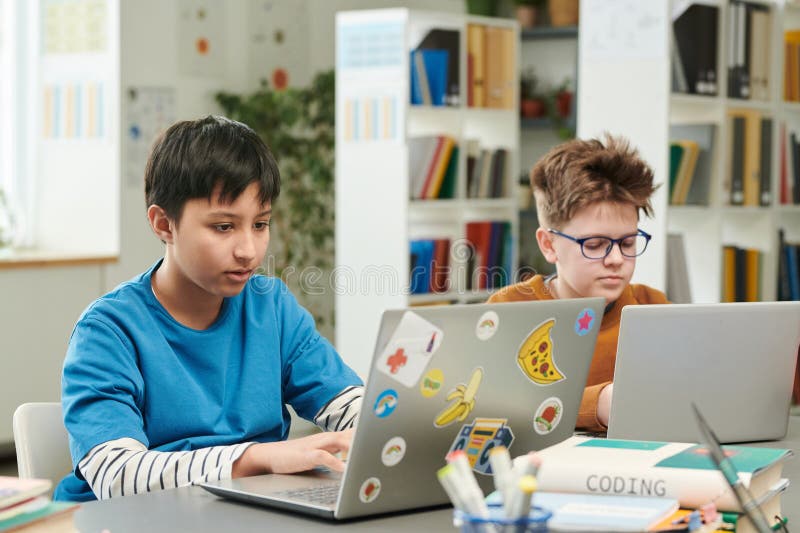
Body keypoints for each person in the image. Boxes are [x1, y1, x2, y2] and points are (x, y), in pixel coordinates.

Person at [55, 116, 363, 502]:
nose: (248, 250)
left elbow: (351, 406)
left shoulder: (272, 308)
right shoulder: (108, 331)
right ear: (164, 224)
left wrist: (386, 426)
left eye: (261, 224)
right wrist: (254, 458)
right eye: (223, 227)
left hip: (243, 513)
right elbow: (118, 475)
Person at [488, 134, 668, 432]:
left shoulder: (653, 307)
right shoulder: (509, 310)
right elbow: (493, 406)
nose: (615, 259)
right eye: (595, 244)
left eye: (627, 242)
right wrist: (596, 405)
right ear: (549, 245)